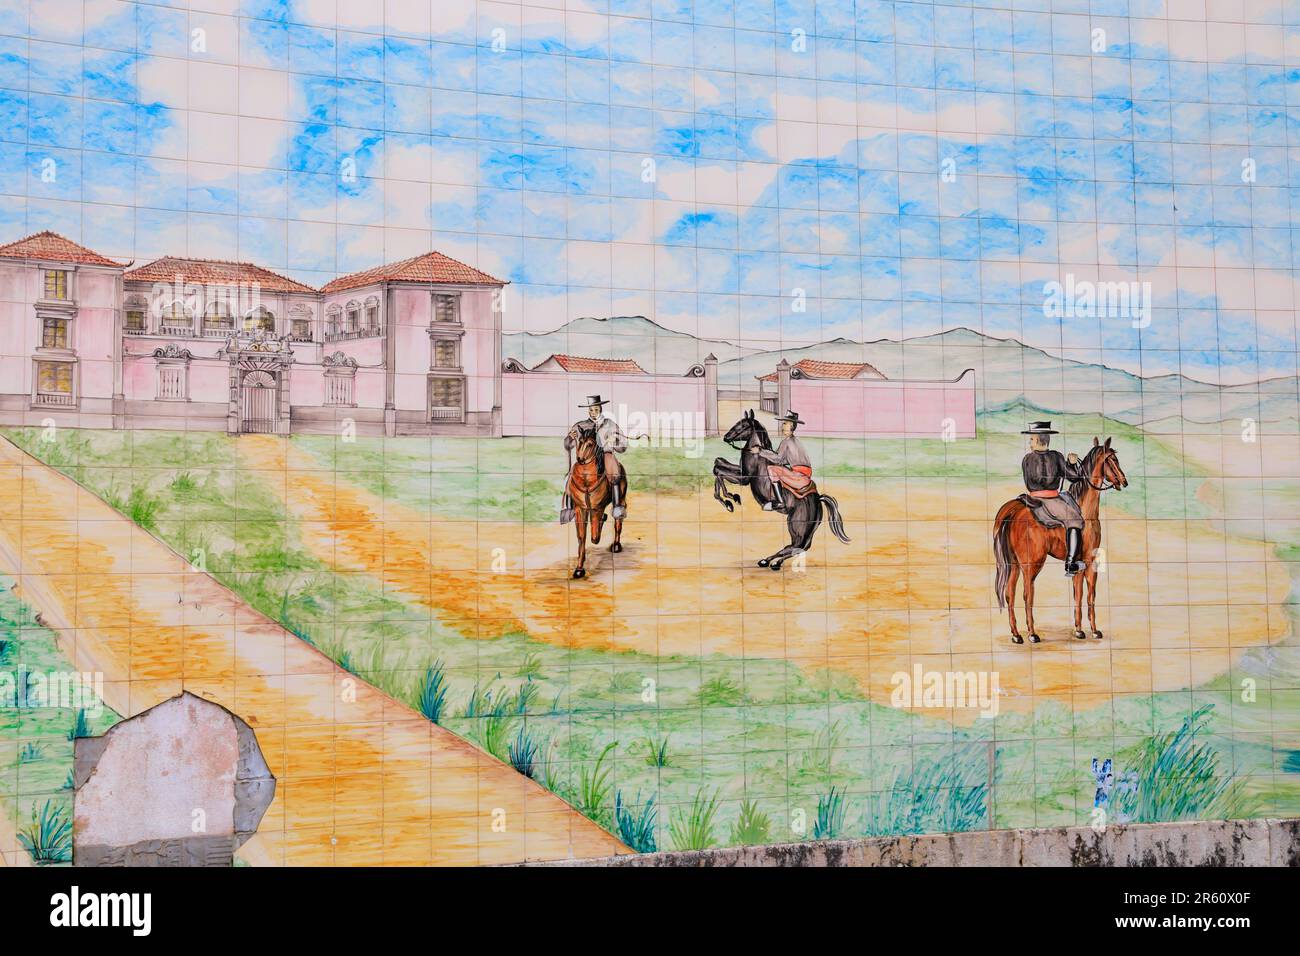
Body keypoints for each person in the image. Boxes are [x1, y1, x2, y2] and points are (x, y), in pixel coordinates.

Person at [1020, 421, 1086, 575]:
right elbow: (1075, 478)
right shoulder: (1057, 457)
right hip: (1050, 500)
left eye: (1031, 439)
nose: (1030, 443)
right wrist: (1072, 464)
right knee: (1075, 519)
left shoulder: (1027, 459)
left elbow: (1029, 483)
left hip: (1032, 498)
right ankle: (1071, 564)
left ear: (1038, 440)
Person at [562, 395, 629, 519]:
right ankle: (568, 507)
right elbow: (568, 445)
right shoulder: (581, 425)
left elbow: (623, 446)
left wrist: (615, 440)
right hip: (586, 458)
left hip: (605, 454)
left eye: (596, 410)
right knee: (571, 475)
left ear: (601, 410)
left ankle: (617, 506)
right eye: (591, 410)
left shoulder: (610, 424)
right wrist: (569, 438)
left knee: (614, 471)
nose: (593, 413)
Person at [760, 410, 813, 512]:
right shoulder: (796, 441)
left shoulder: (786, 441)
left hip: (799, 477)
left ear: (792, 426)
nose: (782, 426)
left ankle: (780, 502)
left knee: (771, 469)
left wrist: (761, 451)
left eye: (785, 423)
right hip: (804, 476)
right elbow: (784, 460)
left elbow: (778, 459)